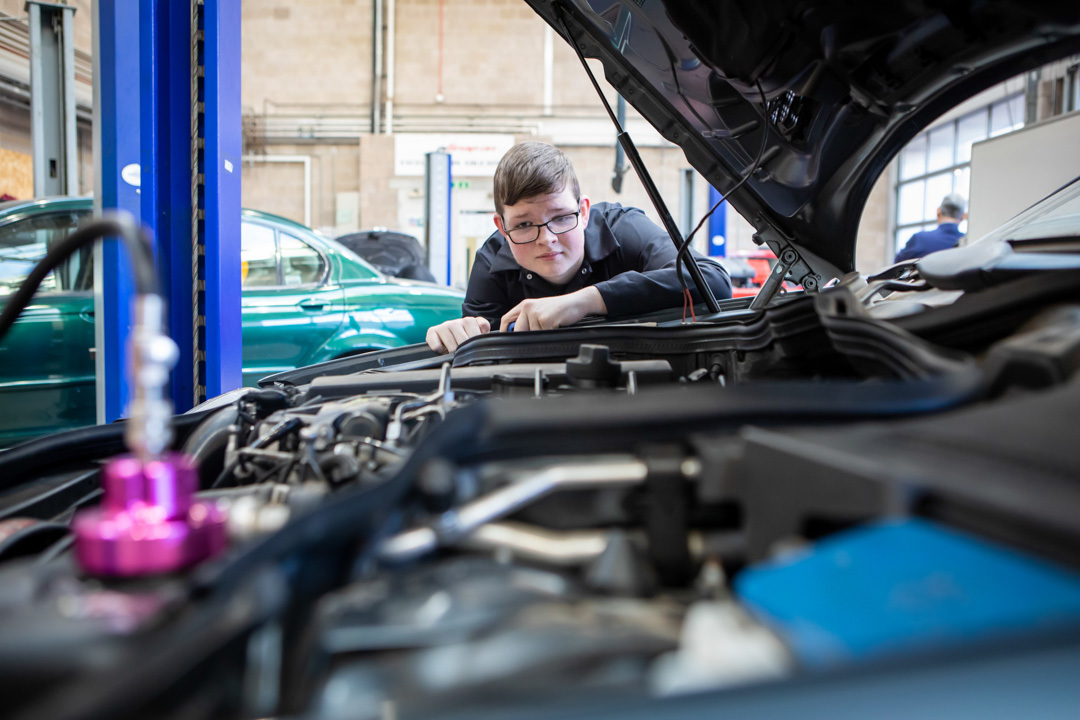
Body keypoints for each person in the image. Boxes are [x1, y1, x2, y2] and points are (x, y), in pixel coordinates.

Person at [425, 142, 732, 353]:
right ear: (501, 227)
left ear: (584, 211)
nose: (546, 238)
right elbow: (480, 355)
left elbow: (713, 280)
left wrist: (584, 301)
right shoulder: (492, 263)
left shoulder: (623, 229)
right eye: (523, 225)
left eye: (560, 218)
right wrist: (456, 335)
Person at [894, 193, 967, 263]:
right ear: (963, 216)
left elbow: (895, 268)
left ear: (938, 211)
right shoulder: (968, 243)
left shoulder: (919, 239)